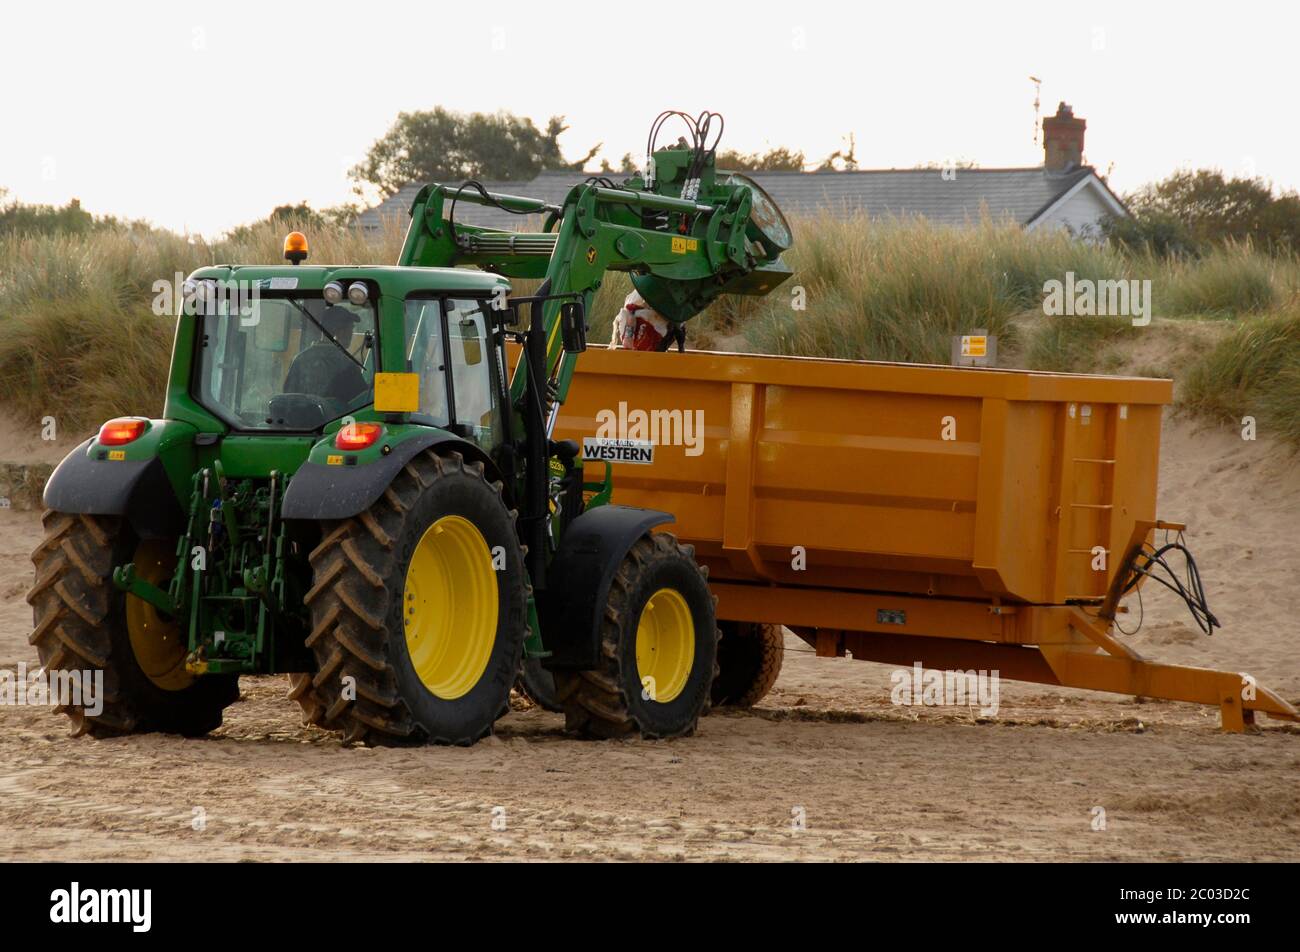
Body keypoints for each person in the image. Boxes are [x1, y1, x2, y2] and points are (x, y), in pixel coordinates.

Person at [283, 305, 368, 407]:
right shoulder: (347, 365)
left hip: (300, 421)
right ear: (341, 331)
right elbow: (363, 402)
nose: (351, 334)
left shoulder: (299, 360)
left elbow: (287, 398)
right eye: (350, 329)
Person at [610, 290, 685, 352]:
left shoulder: (630, 344)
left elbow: (630, 317)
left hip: (641, 307)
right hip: (665, 312)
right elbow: (678, 329)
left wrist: (628, 335)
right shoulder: (658, 345)